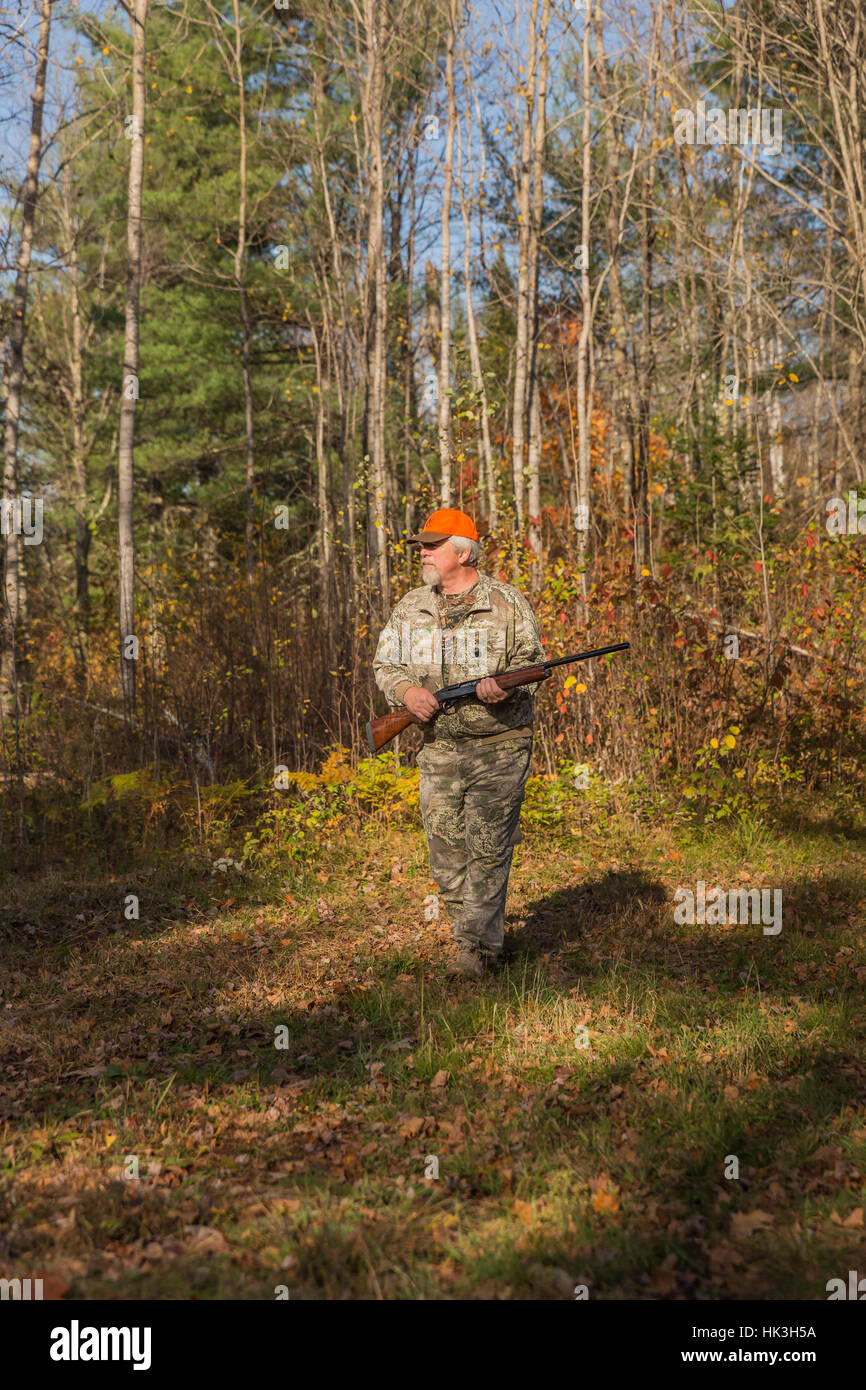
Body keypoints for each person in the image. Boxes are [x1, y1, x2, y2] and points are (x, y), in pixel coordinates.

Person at [373, 508, 545, 979]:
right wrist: (408, 694)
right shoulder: (411, 607)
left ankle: (476, 952)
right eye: (422, 546)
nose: (423, 553)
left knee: (488, 848)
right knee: (445, 856)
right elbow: (386, 666)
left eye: (433, 545)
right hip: (439, 749)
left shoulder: (507, 603)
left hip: (500, 744)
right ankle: (477, 933)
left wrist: (504, 688)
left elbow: (532, 667)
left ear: (463, 552)